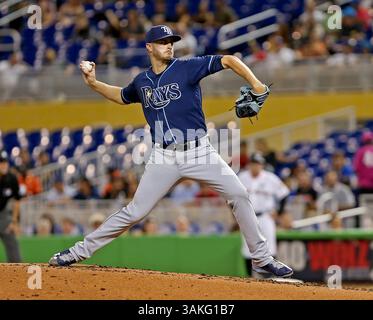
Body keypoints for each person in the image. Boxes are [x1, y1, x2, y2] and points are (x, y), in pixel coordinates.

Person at [49, 25, 293, 278]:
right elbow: (121, 96)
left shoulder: (187, 67)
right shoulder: (142, 81)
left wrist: (256, 84)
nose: (169, 45)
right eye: (162, 41)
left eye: (171, 41)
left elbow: (230, 60)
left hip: (199, 151)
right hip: (163, 156)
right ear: (149, 47)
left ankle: (262, 259)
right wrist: (93, 83)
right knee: (135, 211)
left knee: (239, 194)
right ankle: (77, 252)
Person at [238, 154, 290, 277]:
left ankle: (273, 277)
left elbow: (284, 194)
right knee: (247, 246)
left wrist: (279, 212)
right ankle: (249, 277)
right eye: (253, 163)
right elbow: (233, 197)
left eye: (258, 163)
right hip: (248, 216)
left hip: (265, 216)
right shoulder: (242, 177)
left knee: (270, 246)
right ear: (249, 164)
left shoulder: (271, 178)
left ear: (262, 165)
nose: (255, 166)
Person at [0, 151, 22, 262]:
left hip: (4, 215)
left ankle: (17, 275)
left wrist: (14, 222)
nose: (3, 165)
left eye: (5, 162)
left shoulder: (12, 179)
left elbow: (17, 201)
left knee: (15, 255)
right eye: (1, 163)